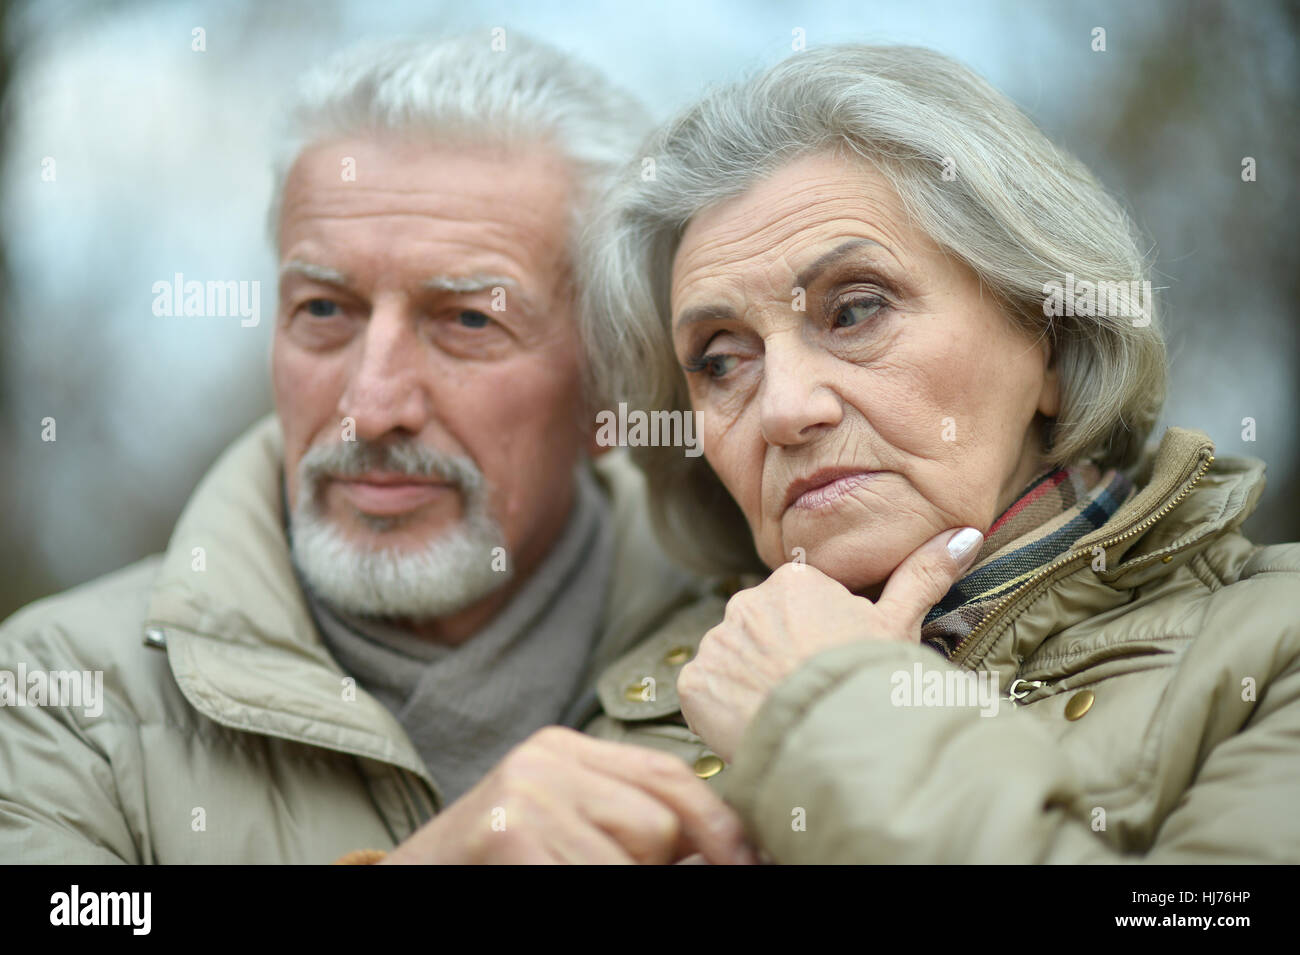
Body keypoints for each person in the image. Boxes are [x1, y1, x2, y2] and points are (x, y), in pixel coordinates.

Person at [0, 34, 754, 866]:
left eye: (469, 321)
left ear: (611, 387)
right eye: (325, 310)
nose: (371, 405)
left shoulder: (769, 653)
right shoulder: (58, 690)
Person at [584, 44, 1300, 863]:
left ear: (1051, 343)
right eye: (720, 360)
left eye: (854, 310)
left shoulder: (1272, 654)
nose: (784, 408)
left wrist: (836, 713)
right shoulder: (640, 702)